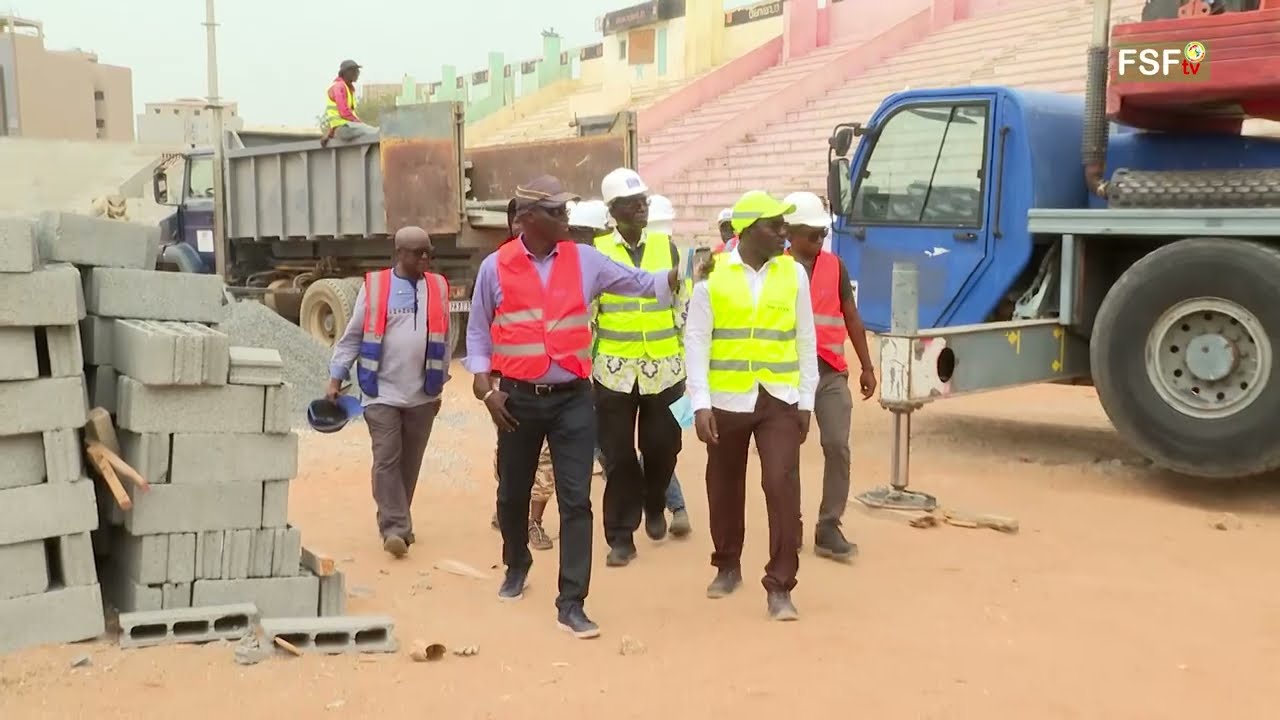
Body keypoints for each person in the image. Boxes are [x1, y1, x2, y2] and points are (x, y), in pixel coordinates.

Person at [465, 174, 681, 639]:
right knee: (511, 494)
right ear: (526, 219)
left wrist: (684, 276)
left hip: (574, 400)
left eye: (566, 209)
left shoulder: (585, 260)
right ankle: (517, 562)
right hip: (516, 401)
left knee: (576, 499)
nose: (566, 217)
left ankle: (572, 602)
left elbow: (642, 284)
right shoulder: (495, 267)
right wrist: (486, 389)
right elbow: (479, 332)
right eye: (556, 211)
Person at [685, 190, 817, 621]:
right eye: (774, 225)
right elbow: (698, 343)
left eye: (785, 224)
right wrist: (700, 403)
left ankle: (780, 585)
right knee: (723, 485)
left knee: (781, 485)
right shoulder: (710, 276)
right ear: (746, 231)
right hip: (727, 399)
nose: (784, 232)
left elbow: (805, 340)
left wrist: (807, 401)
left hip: (779, 397)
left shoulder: (794, 274)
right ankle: (726, 563)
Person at [327, 226, 450, 558]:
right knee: (387, 458)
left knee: (409, 463)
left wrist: (441, 386)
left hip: (423, 394)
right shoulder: (376, 287)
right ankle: (395, 528)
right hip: (380, 392)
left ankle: (397, 517)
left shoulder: (438, 286)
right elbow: (353, 336)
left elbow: (445, 336)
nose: (426, 258)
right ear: (399, 253)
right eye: (418, 252)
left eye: (429, 252)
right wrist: (336, 377)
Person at [592, 169, 688, 567]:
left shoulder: (669, 247)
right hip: (613, 372)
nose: (642, 206)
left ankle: (654, 503)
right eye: (633, 202)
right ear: (614, 211)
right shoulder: (596, 251)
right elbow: (589, 312)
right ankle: (620, 537)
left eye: (644, 200)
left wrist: (687, 360)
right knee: (618, 456)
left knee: (665, 447)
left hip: (666, 369)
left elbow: (683, 305)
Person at [783, 191, 876, 562]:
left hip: (830, 372)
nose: (819, 240)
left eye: (823, 233)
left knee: (837, 445)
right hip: (788, 376)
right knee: (784, 454)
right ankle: (789, 525)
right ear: (790, 233)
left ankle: (828, 525)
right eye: (812, 234)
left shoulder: (835, 267)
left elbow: (851, 316)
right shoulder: (776, 269)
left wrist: (867, 365)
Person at [321, 59, 379, 146]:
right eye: (354, 71)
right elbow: (344, 113)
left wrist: (330, 135)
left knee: (371, 130)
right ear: (345, 73)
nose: (357, 74)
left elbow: (336, 118)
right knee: (374, 131)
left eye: (358, 71)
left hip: (345, 128)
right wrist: (359, 123)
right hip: (344, 129)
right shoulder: (339, 87)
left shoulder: (348, 89)